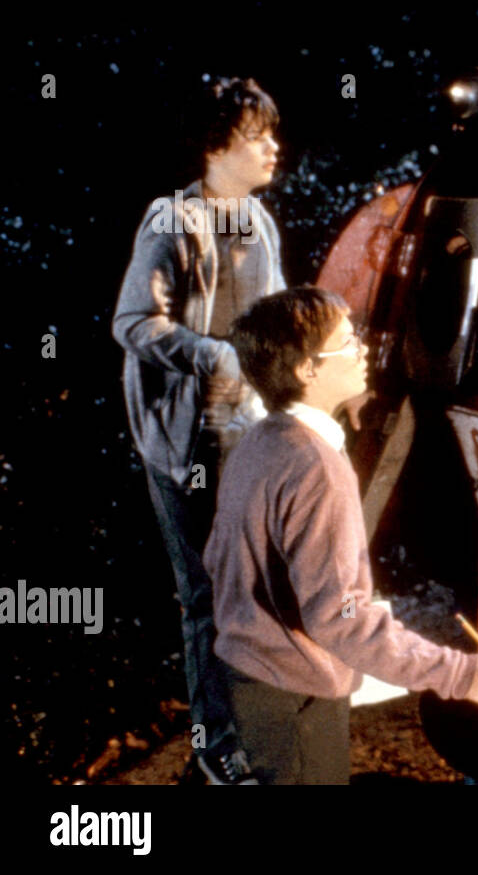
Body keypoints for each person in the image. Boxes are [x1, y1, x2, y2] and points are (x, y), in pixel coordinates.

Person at [204, 286, 478, 784]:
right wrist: (462, 675)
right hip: (298, 698)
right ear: (307, 370)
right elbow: (339, 622)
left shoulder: (259, 443)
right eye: (347, 343)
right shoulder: (318, 466)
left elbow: (220, 563)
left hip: (250, 678)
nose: (363, 349)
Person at [112, 77, 285, 784]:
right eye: (258, 135)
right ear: (217, 147)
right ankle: (216, 743)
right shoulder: (170, 221)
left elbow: (273, 324)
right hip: (181, 439)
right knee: (207, 592)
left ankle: (259, 718)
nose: (274, 146)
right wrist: (212, 353)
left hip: (248, 429)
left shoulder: (261, 223)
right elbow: (133, 322)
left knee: (256, 579)